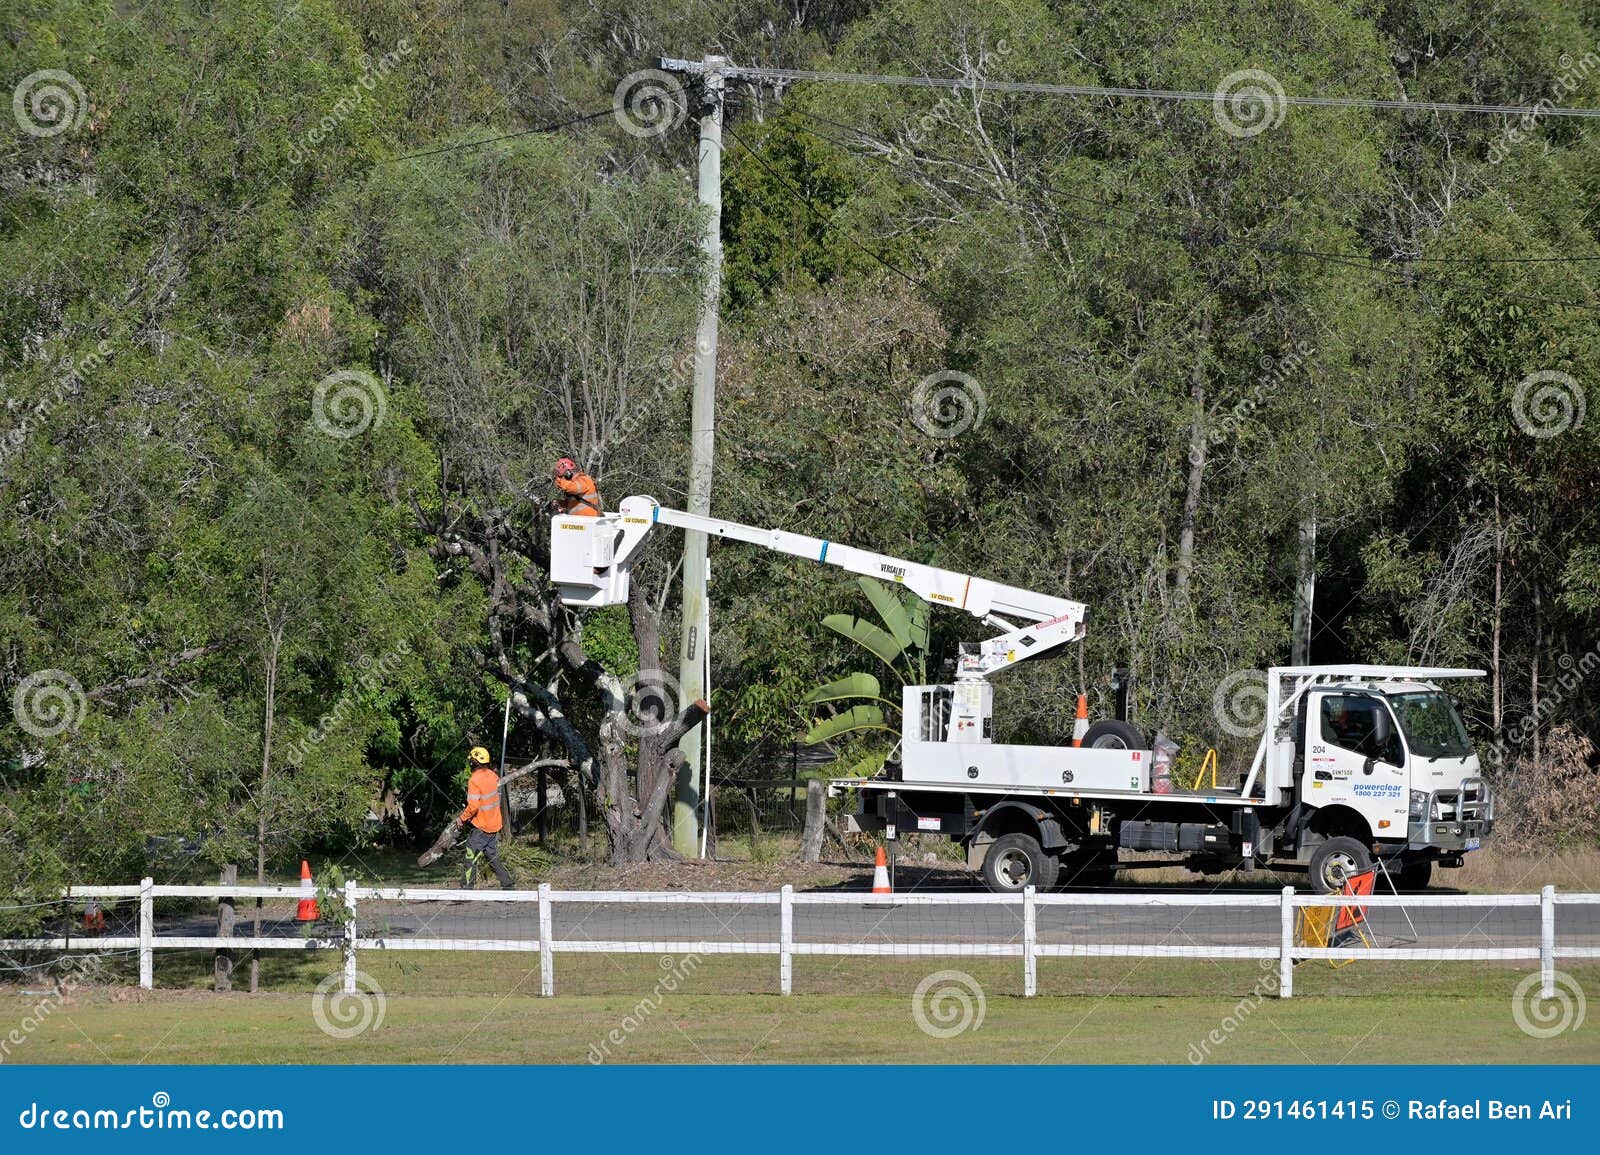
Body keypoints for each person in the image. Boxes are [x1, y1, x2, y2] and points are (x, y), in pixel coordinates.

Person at [459, 746, 515, 890]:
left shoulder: (474, 780)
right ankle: (508, 885)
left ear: (473, 763)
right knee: (492, 857)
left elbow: (473, 807)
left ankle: (466, 890)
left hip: (482, 827)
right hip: (494, 825)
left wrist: (462, 819)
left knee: (470, 857)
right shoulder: (492, 775)